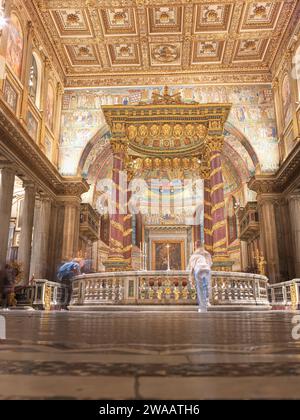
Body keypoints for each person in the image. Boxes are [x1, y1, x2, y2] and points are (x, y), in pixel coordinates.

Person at [188, 243, 212, 313]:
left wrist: (191, 277)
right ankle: (207, 300)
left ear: (195, 247)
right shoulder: (206, 253)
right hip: (207, 269)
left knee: (200, 288)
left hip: (198, 269)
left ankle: (202, 308)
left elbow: (192, 268)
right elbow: (210, 263)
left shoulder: (194, 255)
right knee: (206, 285)